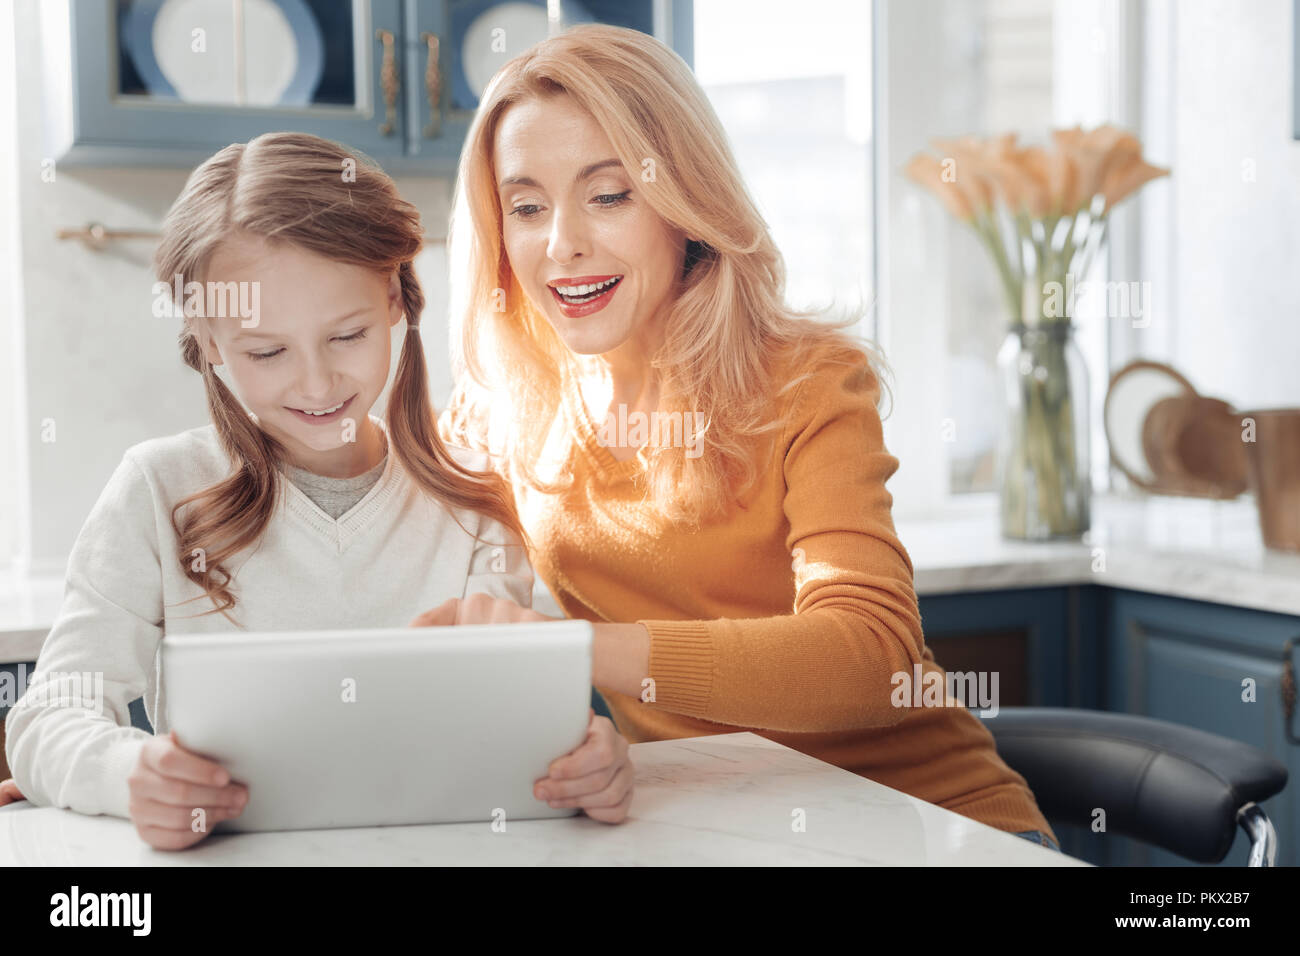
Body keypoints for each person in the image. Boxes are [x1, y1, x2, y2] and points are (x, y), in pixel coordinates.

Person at [423, 24, 1059, 851]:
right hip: (721, 834)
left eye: (609, 194)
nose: (562, 242)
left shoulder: (805, 381)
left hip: (932, 827)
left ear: (685, 202)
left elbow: (870, 658)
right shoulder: (506, 407)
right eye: (526, 207)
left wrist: (577, 650)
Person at [0, 132, 633, 848]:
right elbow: (50, 715)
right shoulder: (157, 491)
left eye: (347, 336)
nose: (316, 384)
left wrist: (593, 757)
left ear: (394, 299)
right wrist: (128, 771)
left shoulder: (475, 502)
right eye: (266, 352)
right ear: (207, 341)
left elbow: (534, 722)